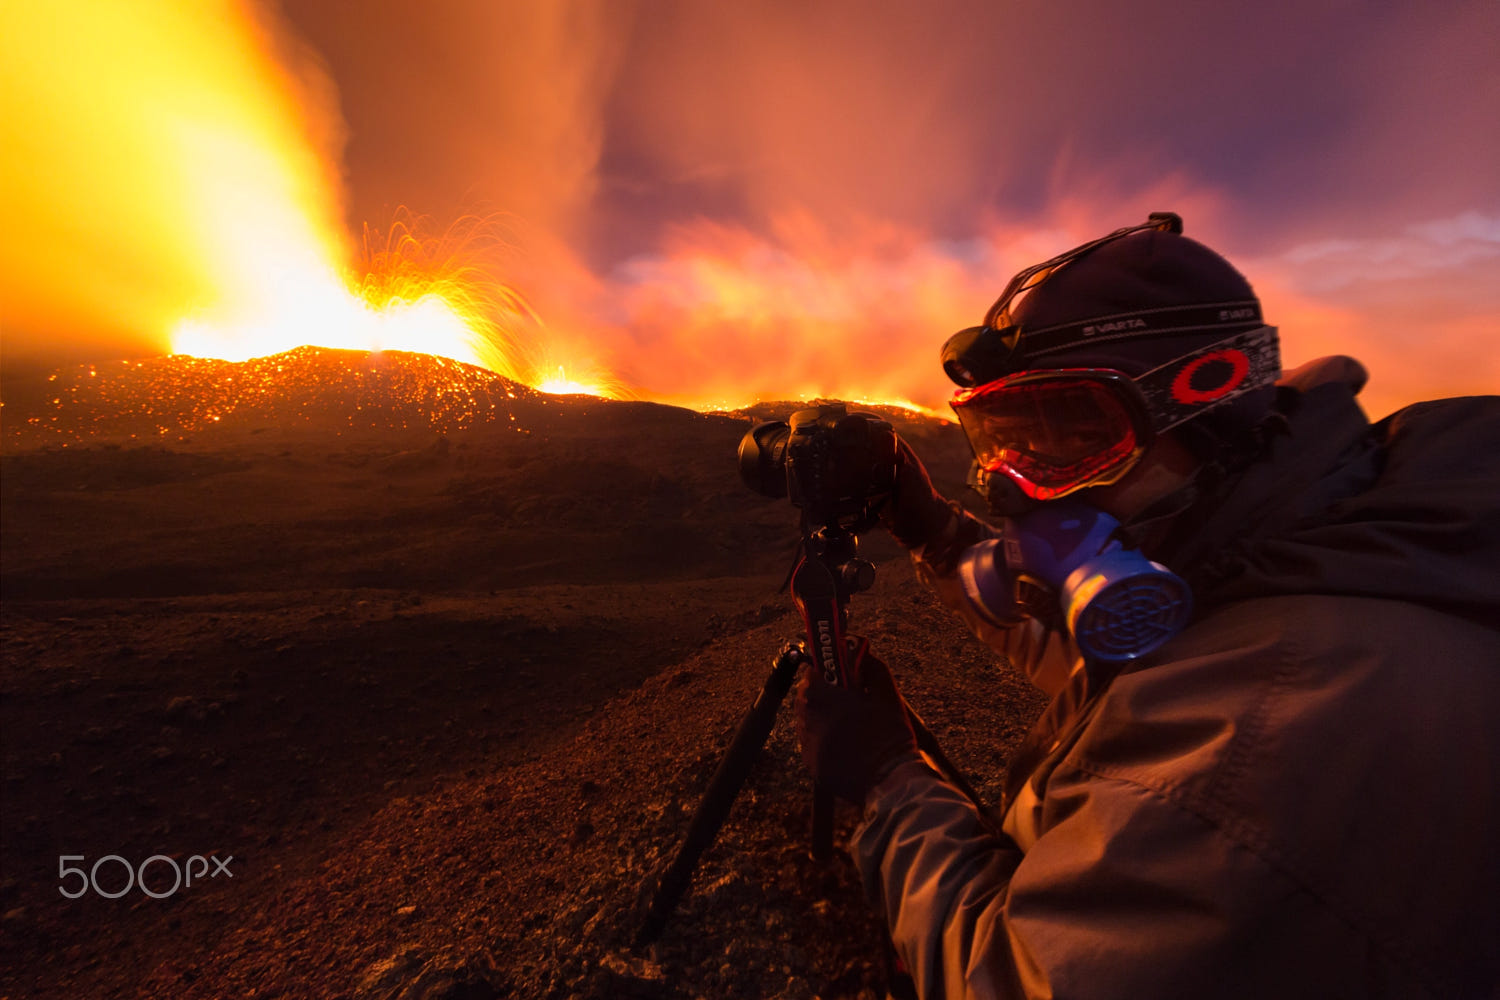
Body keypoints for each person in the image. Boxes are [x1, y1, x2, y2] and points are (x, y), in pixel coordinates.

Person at [794, 214, 1500, 999]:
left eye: (1072, 433)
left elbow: (1011, 981)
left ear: (1209, 402)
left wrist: (891, 784)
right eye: (1004, 438)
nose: (1013, 486)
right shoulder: (1322, 549)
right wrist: (928, 529)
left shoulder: (1260, 743)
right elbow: (1140, 671)